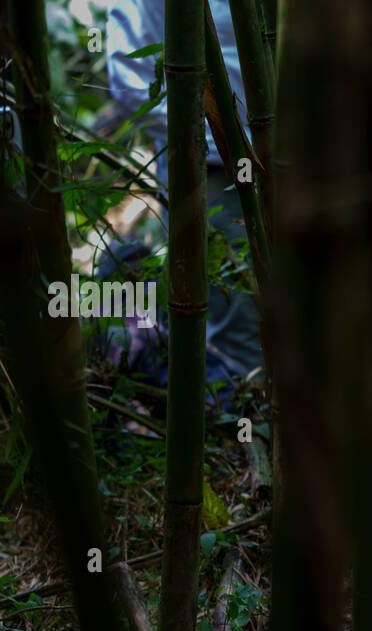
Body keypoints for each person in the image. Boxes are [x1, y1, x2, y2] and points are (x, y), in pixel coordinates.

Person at [101, 0, 265, 397]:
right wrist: (205, 133)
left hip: (288, 158)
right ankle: (241, 423)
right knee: (232, 313)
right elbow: (129, 76)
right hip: (207, 166)